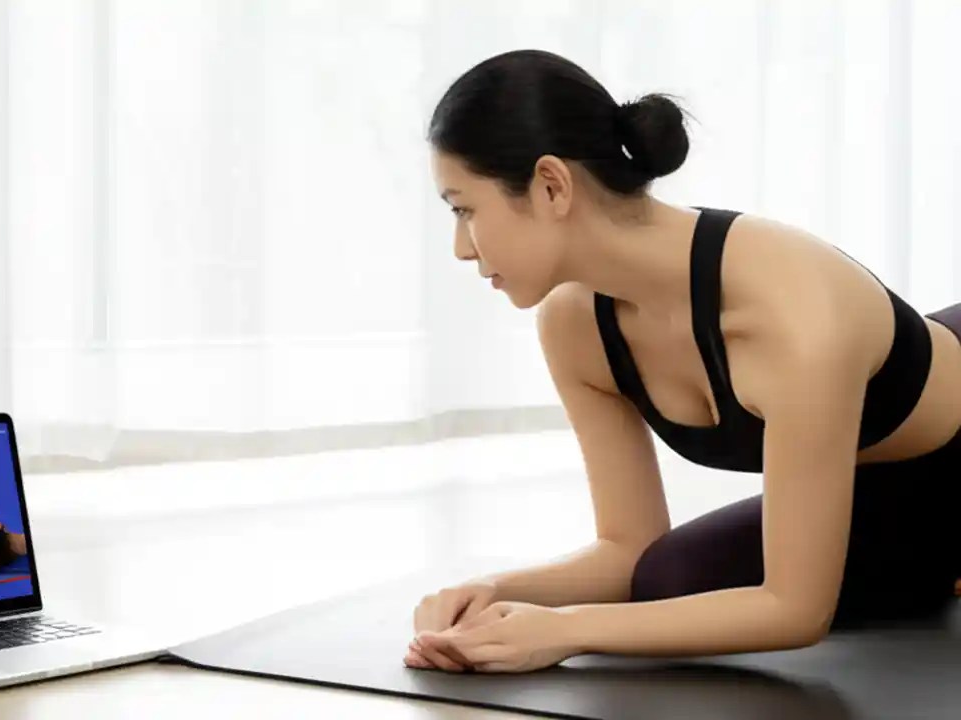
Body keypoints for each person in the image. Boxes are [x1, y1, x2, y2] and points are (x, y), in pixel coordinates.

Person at [407, 49, 961, 674]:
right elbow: (628, 547)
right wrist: (499, 594)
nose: (459, 248)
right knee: (670, 577)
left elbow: (795, 610)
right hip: (890, 480)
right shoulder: (574, 325)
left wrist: (565, 630)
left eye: (463, 208)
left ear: (551, 185)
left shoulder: (791, 307)